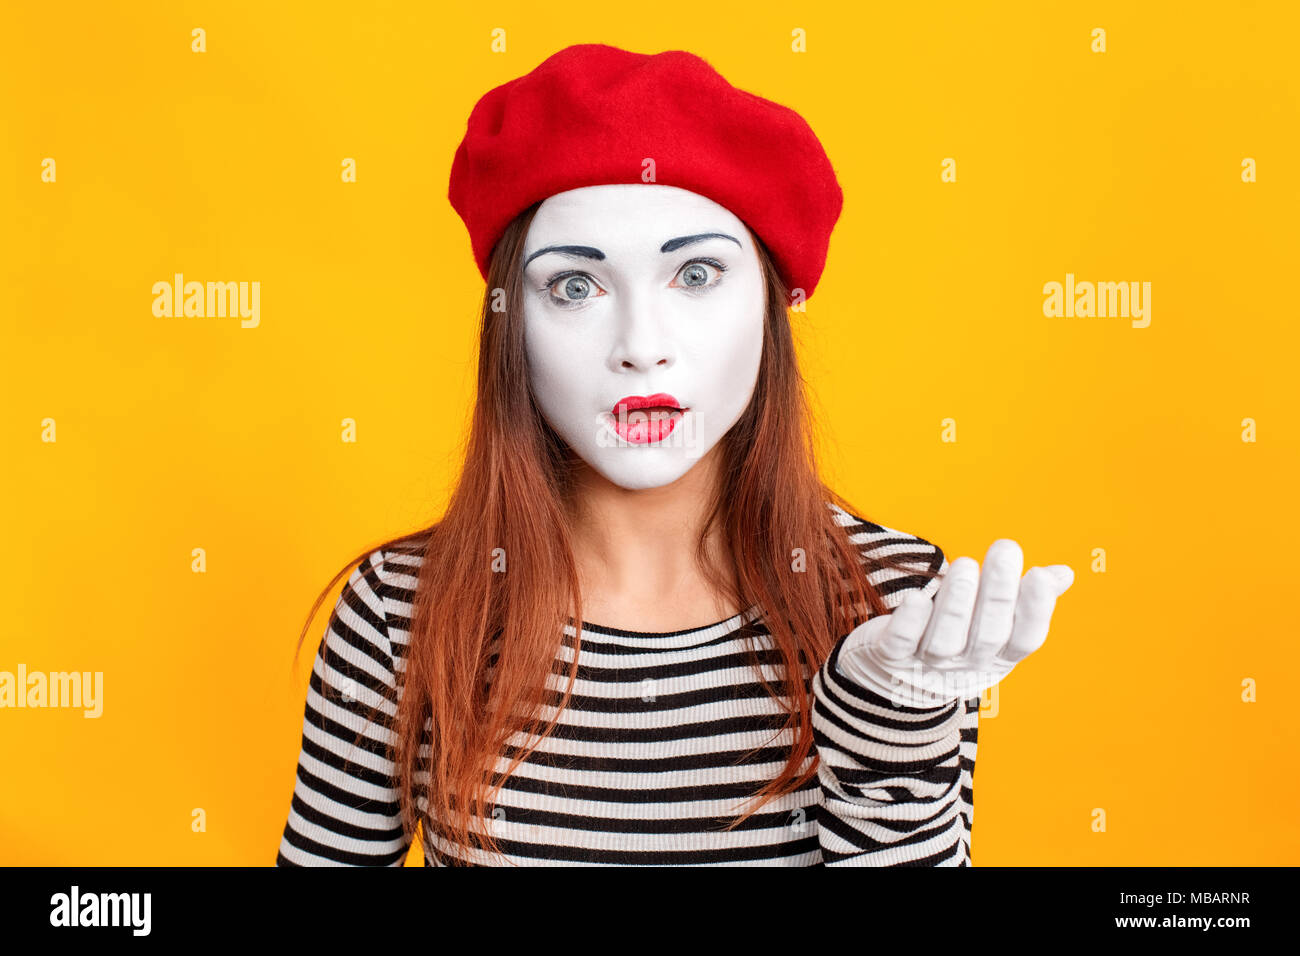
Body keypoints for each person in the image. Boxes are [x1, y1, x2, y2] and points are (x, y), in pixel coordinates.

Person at [275, 43, 1073, 867]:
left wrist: (888, 723)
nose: (641, 348)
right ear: (511, 321)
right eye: (575, 287)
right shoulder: (401, 610)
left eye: (695, 274)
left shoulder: (896, 604)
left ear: (771, 305)